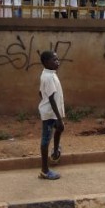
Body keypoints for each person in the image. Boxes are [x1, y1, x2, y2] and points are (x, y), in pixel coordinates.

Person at [37, 50, 65, 180]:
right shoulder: (48, 77)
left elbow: (40, 92)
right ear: (46, 62)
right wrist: (59, 118)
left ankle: (55, 151)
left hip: (52, 112)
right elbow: (52, 99)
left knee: (60, 129)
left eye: (57, 59)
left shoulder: (49, 74)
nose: (57, 62)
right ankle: (44, 170)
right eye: (54, 60)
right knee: (45, 140)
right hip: (50, 113)